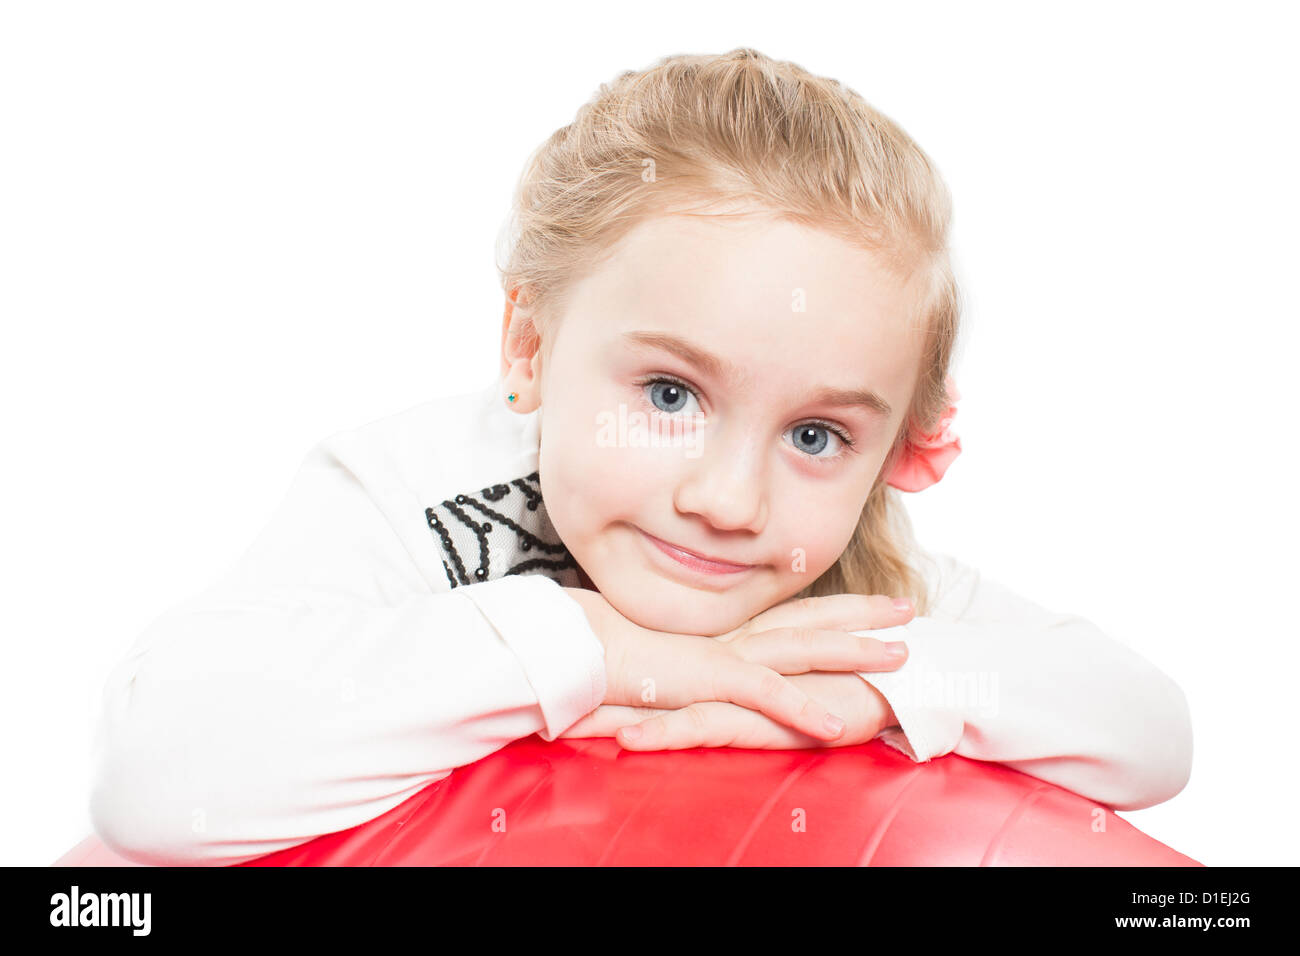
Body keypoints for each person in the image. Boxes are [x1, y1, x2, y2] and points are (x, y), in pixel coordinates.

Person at [89, 48, 1192, 866]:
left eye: (816, 436)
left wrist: (885, 685)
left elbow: (1151, 731)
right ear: (529, 346)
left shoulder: (855, 579)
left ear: (892, 448)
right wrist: (591, 647)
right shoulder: (407, 497)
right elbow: (152, 777)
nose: (729, 501)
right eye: (670, 395)